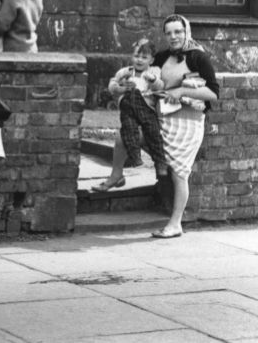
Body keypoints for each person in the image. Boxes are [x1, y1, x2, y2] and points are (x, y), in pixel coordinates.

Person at [97, 14, 218, 239]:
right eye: (169, 33)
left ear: (186, 31)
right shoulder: (162, 56)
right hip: (163, 119)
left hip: (188, 123)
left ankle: (175, 223)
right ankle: (116, 175)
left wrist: (181, 91)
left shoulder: (198, 57)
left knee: (179, 173)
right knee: (124, 135)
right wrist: (119, 84)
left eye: (178, 32)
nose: (173, 37)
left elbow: (213, 93)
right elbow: (141, 72)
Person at [92, 38, 166, 192]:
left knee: (152, 132)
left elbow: (160, 86)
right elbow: (112, 85)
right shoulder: (125, 72)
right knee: (127, 129)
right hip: (130, 112)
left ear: (151, 59)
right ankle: (134, 159)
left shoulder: (153, 72)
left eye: (144, 57)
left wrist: (152, 80)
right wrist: (120, 88)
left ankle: (160, 162)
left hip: (146, 112)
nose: (139, 60)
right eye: (137, 56)